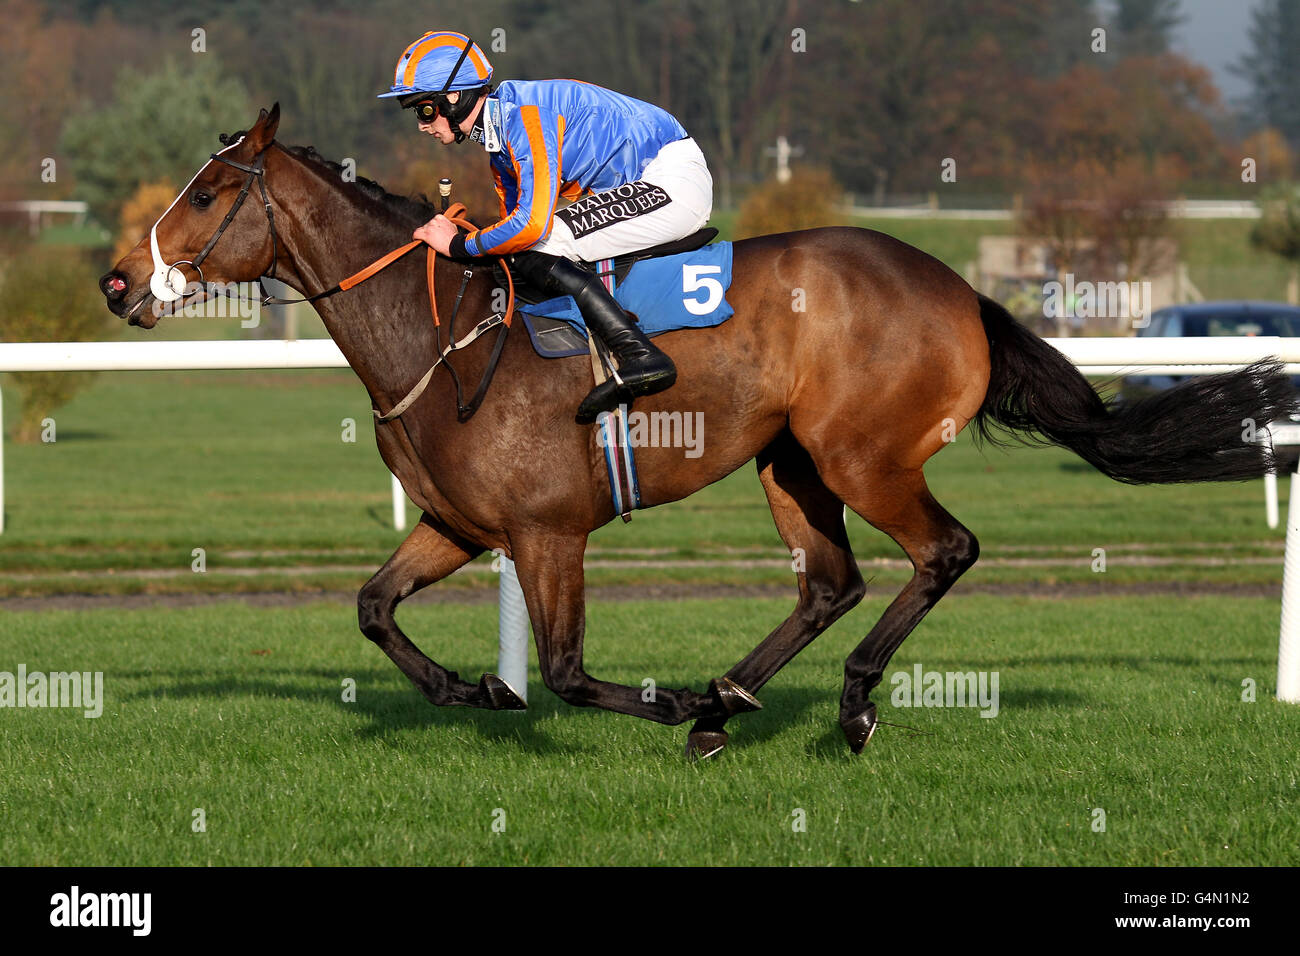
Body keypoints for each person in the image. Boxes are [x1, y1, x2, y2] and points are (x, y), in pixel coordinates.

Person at [379, 31, 714, 422]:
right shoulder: (499, 143)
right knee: (519, 260)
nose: (422, 126)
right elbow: (509, 236)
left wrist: (459, 245)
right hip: (645, 184)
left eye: (423, 111)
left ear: (453, 97)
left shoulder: (524, 115)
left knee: (542, 242)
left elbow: (531, 226)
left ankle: (640, 355)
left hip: (671, 183)